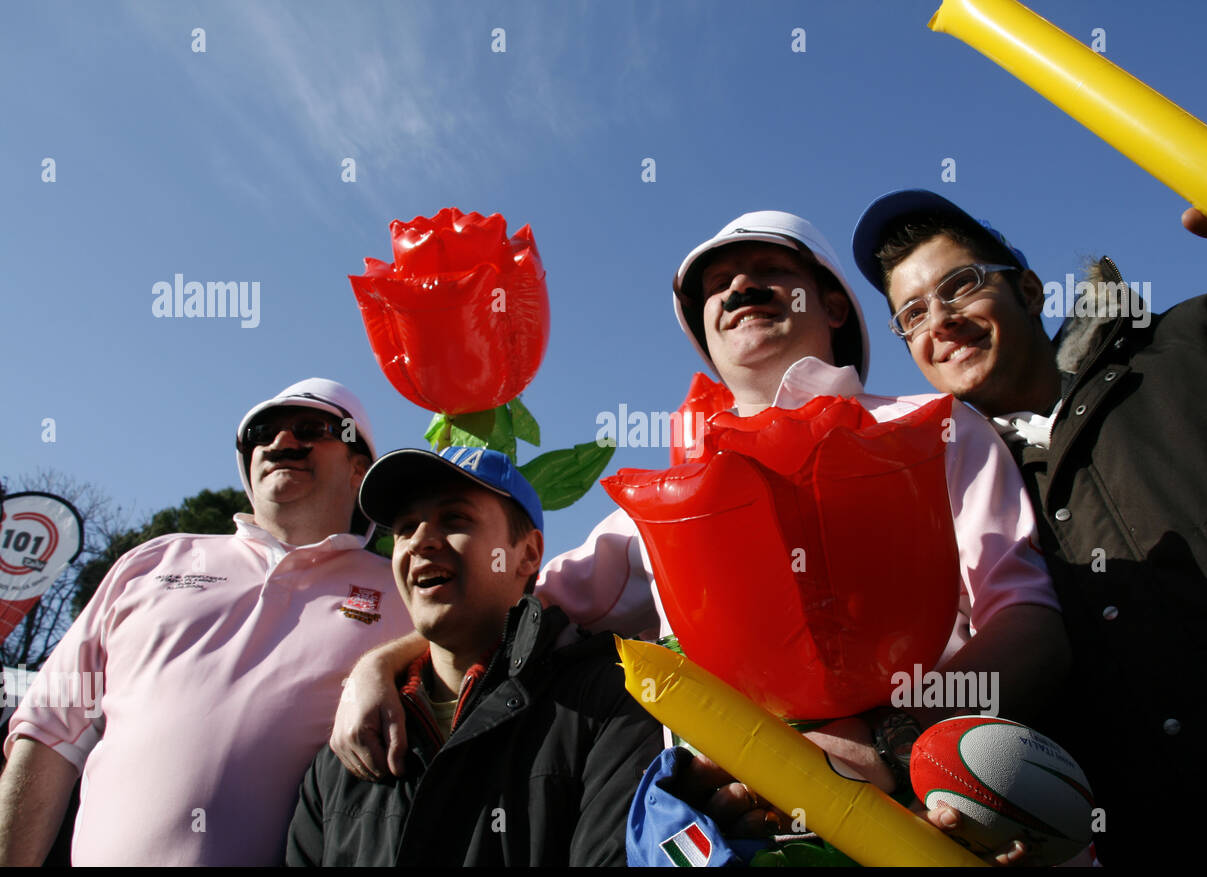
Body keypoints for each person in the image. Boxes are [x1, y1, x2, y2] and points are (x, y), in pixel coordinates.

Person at [332, 213, 1068, 838]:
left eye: (769, 271)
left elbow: (1029, 624)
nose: (739, 288)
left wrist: (887, 740)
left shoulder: (936, 429)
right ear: (704, 338)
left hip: (932, 824)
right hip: (730, 837)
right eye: (717, 287)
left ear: (835, 306)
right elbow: (526, 613)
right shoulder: (665, 497)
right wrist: (381, 664)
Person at [850, 124, 1207, 867]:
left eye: (960, 284)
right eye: (912, 315)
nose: (941, 322)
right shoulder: (959, 519)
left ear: (1029, 289)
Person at [0, 378, 413, 865]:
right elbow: (50, 735)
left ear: (358, 467)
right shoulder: (150, 562)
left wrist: (380, 662)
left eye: (312, 429)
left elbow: (507, 627)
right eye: (262, 431)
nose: (282, 442)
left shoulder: (408, 587)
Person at [285, 445, 663, 865]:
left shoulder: (613, 707)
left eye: (455, 519)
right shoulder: (344, 754)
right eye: (405, 528)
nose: (421, 542)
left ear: (528, 554)